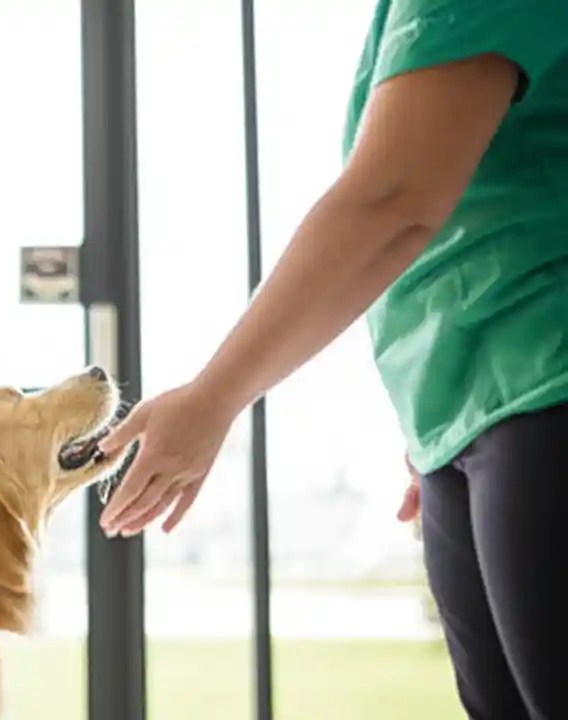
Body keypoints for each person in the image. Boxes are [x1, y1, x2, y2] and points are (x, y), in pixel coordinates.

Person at [98, 2, 567, 717]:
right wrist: (441, 416)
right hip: (475, 412)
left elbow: (392, 200)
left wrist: (213, 398)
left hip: (544, 382)